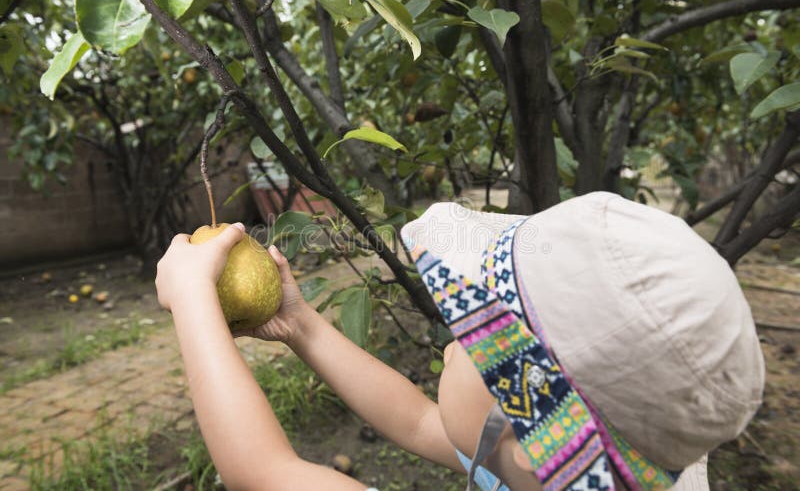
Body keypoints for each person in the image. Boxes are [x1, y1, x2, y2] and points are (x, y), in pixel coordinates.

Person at [155, 192, 765, 491]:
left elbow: (263, 471)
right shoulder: (554, 471)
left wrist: (191, 301)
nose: (450, 345)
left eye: (475, 343)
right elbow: (424, 422)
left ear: (533, 440)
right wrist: (301, 325)